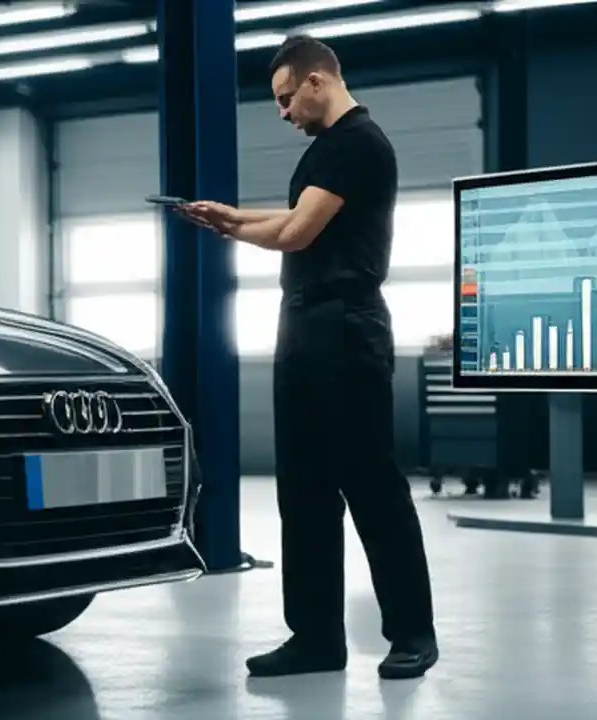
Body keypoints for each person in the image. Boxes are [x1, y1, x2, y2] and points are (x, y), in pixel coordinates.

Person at [179, 35, 438, 680]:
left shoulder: (358, 144)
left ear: (318, 81)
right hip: (302, 331)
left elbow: (297, 231)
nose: (283, 113)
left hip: (346, 334)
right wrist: (230, 218)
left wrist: (234, 225)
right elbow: (296, 220)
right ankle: (316, 638)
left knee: (372, 489)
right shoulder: (329, 150)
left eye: (286, 98)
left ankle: (412, 634)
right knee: (305, 494)